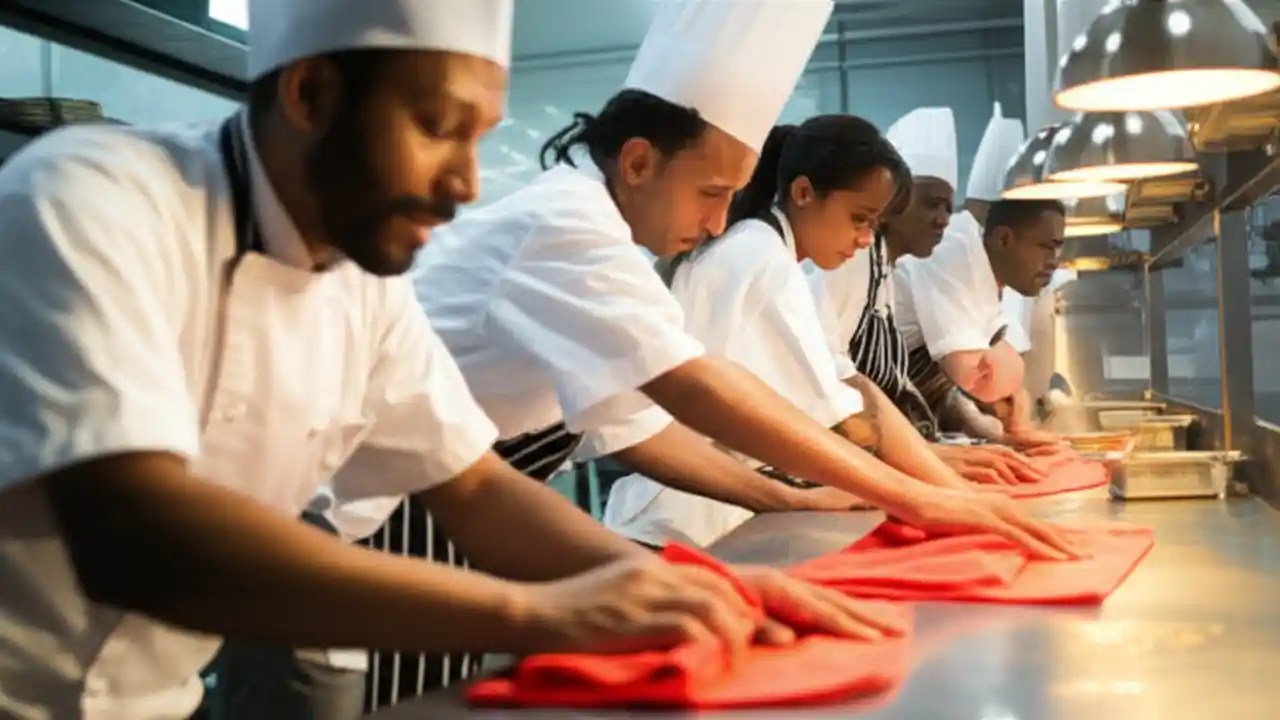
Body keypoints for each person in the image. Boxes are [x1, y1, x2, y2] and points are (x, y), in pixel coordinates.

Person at [0, 2, 896, 718]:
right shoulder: (89, 198)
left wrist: (689, 587)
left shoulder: (359, 278)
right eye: (438, 128)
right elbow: (134, 535)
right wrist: (538, 612)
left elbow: (469, 483)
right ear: (311, 94)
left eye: (481, 138)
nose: (468, 182)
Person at [389, 2, 1079, 682]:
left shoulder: (600, 236)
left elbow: (640, 429)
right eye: (710, 192)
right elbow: (694, 385)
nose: (719, 222)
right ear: (637, 163)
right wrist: (918, 496)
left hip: (457, 518)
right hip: (385, 528)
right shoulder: (566, 226)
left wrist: (789, 500)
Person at [606, 114, 1042, 547]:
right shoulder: (760, 253)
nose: (868, 238)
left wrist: (941, 479)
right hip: (686, 520)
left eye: (875, 223)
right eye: (859, 218)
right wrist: (928, 492)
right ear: (803, 193)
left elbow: (852, 385)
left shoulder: (771, 249)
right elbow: (847, 422)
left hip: (717, 507)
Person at [805, 107, 1045, 485]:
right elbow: (829, 379)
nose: (944, 220)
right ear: (894, 200)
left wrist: (935, 449)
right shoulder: (852, 261)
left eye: (949, 207)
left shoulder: (884, 271)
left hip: (874, 458)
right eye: (930, 204)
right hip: (836, 464)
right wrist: (926, 456)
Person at [895, 197, 1069, 448]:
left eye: (1058, 249)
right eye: (1046, 247)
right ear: (1003, 240)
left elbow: (982, 378)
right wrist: (1002, 425)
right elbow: (972, 371)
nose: (1054, 261)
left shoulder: (987, 271)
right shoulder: (954, 249)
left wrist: (1000, 425)